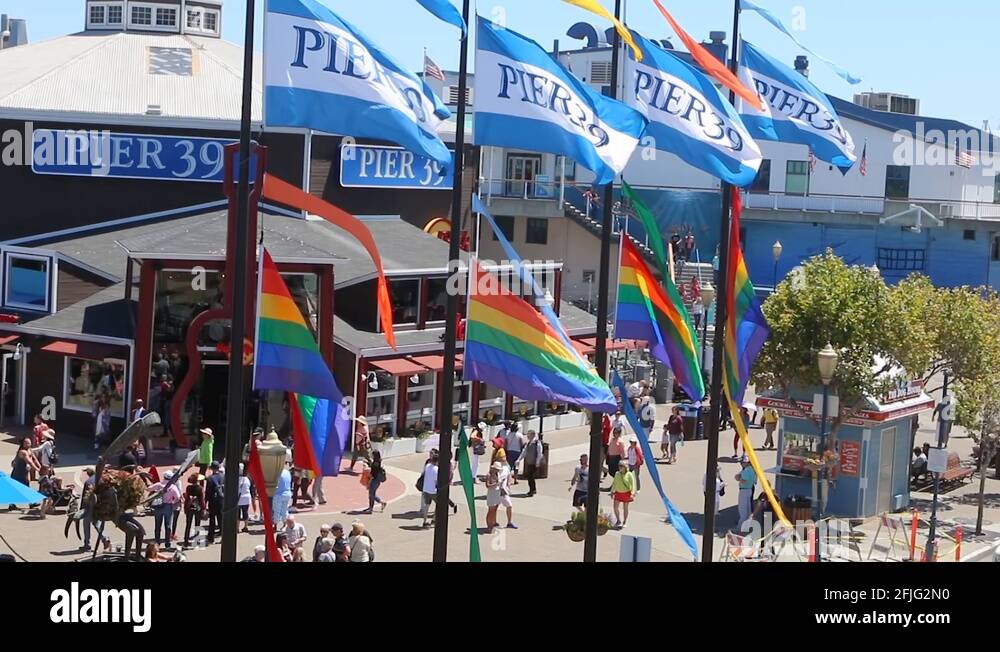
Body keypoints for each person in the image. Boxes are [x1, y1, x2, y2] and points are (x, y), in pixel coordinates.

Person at [79, 468, 111, 552]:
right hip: (100, 505)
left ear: (88, 474)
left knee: (86, 525)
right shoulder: (101, 479)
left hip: (90, 506)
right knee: (97, 523)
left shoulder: (88, 482)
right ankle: (104, 538)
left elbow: (85, 496)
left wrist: (82, 509)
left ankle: (87, 545)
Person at [147, 471, 181, 548]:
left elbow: (148, 489)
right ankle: (167, 543)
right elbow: (178, 498)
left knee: (157, 525)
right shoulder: (173, 487)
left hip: (158, 506)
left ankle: (157, 542)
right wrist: (173, 502)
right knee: (168, 525)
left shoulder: (158, 485)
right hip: (168, 506)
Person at [7, 437, 39, 512]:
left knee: (26, 487)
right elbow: (30, 462)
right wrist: (38, 470)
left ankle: (31, 503)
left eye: (29, 442)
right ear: (23, 444)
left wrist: (40, 467)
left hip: (24, 473)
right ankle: (12, 505)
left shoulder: (30, 450)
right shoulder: (22, 452)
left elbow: (35, 460)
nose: (29, 444)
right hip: (17, 473)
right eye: (27, 443)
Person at [182, 473, 206, 549]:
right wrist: (203, 509)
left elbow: (187, 499)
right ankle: (196, 541)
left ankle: (186, 541)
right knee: (197, 525)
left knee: (188, 525)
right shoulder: (200, 488)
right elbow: (202, 500)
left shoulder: (188, 487)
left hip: (189, 508)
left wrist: (185, 508)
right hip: (197, 508)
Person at [611, 460, 636, 528]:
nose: (620, 468)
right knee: (615, 507)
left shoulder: (629, 474)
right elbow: (614, 483)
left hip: (626, 493)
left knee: (625, 508)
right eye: (619, 466)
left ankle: (624, 521)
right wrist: (612, 491)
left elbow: (633, 484)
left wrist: (632, 493)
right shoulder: (617, 474)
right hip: (618, 493)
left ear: (625, 467)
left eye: (622, 466)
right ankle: (618, 520)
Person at [205, 461, 225, 544]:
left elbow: (207, 492)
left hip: (212, 501)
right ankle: (223, 536)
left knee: (212, 520)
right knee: (221, 519)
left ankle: (211, 538)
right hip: (221, 501)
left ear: (212, 468)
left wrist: (205, 502)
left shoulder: (210, 478)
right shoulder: (223, 476)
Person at [735, 455, 757, 532]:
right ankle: (746, 527)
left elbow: (741, 479)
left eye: (742, 462)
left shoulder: (746, 470)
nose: (741, 464)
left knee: (743, 509)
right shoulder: (752, 470)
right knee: (748, 509)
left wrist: (740, 478)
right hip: (749, 490)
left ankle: (740, 528)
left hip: (744, 490)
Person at [419, 449, 440, 529]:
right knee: (439, 504)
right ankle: (434, 519)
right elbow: (437, 481)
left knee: (426, 506)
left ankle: (425, 521)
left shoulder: (427, 466)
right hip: (433, 490)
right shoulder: (437, 470)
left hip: (425, 489)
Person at [496, 449, 516, 528]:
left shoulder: (506, 467)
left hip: (504, 490)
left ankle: (509, 522)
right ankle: (493, 522)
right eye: (502, 457)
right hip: (498, 489)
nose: (504, 458)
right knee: (495, 507)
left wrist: (509, 485)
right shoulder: (497, 466)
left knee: (509, 505)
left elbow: (509, 477)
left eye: (504, 456)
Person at [521, 430, 544, 497]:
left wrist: (537, 462)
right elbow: (524, 452)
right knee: (530, 477)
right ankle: (533, 489)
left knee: (530, 476)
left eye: (529, 434)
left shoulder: (537, 443)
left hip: (534, 463)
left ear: (533, 435)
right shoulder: (528, 443)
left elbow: (540, 453)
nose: (527, 436)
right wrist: (519, 459)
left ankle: (532, 490)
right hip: (529, 462)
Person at [237, 464, 252, 533]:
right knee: (245, 512)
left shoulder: (236, 479)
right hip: (247, 498)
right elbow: (249, 486)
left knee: (238, 514)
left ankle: (237, 527)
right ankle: (246, 526)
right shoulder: (246, 479)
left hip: (239, 498)